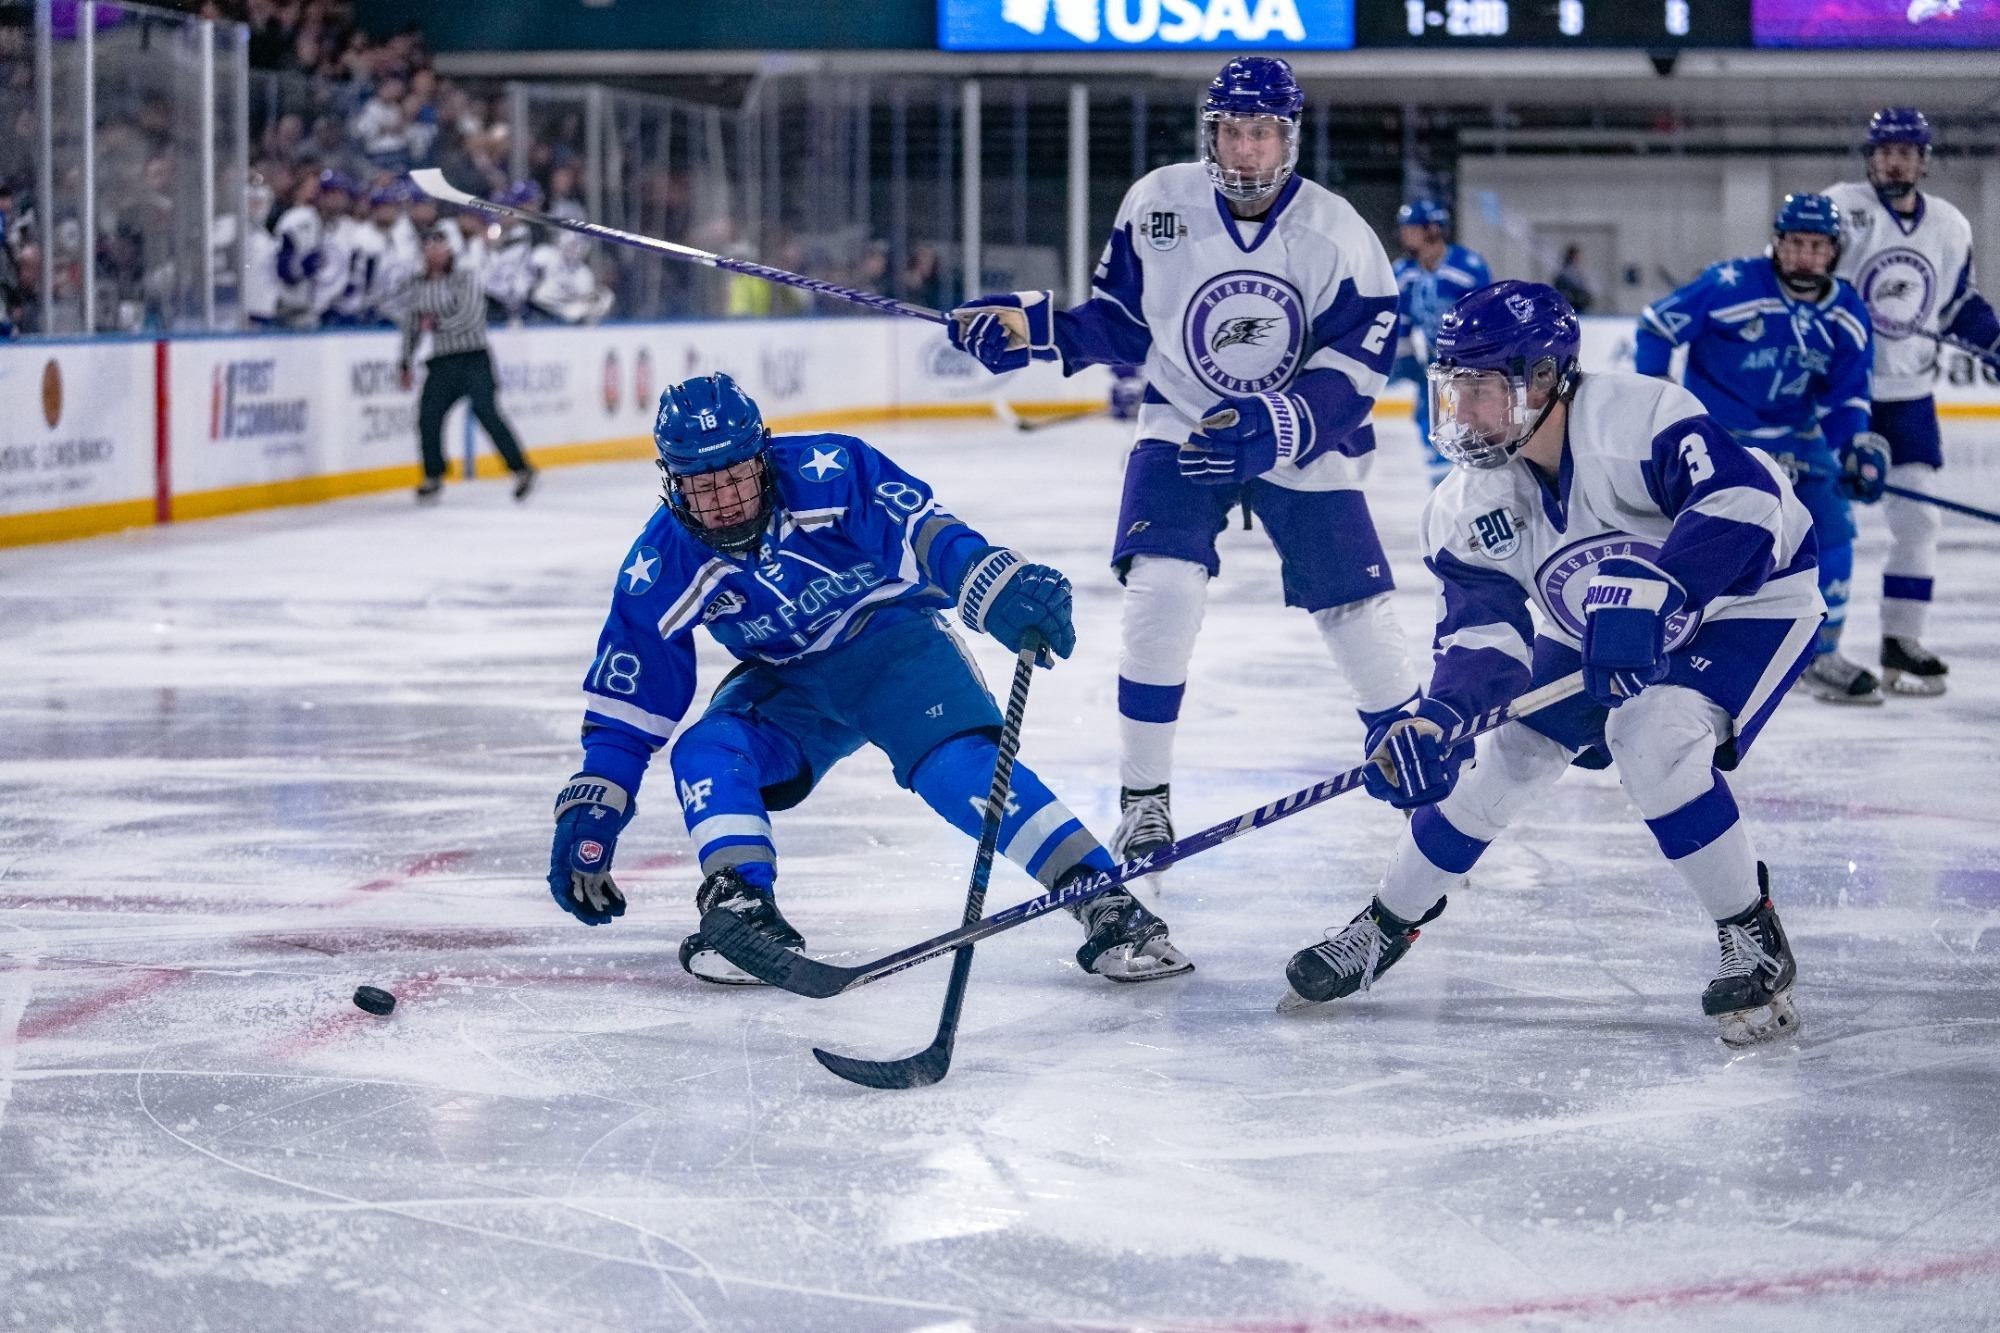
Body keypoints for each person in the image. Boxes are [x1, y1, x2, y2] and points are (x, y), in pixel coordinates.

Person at [1279, 282, 1821, 1047]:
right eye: (1452, 389)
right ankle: (1386, 923)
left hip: (1747, 599)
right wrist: (1438, 718)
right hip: (1597, 619)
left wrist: (1663, 596)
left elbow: (1744, 499)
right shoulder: (1466, 503)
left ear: (1541, 379)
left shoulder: (1639, 417)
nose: (1460, 412)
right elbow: (1484, 639)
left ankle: (1752, 933)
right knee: (1507, 756)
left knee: (1650, 734)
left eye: (1480, 390)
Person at [543, 373, 1193, 986]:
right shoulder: (663, 560)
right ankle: (742, 907)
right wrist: (600, 793)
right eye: (701, 486)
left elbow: (924, 532)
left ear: (762, 457)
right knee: (705, 748)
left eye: (736, 477)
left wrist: (994, 585)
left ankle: (1106, 903)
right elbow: (635, 694)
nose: (723, 501)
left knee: (961, 768)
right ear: (672, 484)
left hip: (895, 648)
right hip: (789, 683)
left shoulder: (832, 471)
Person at [945, 56, 1419, 874]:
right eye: (1233, 131)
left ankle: (1409, 742)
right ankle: (1144, 803)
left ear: (1288, 139)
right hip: (1182, 421)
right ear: (1212, 132)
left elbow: (1361, 364)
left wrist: (1278, 428)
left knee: (1354, 601)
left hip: (1295, 433)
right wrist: (1033, 330)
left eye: (1262, 133)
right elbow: (1127, 325)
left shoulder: (1337, 231)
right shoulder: (1157, 203)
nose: (1245, 152)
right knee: (1161, 591)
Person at [1636, 193, 1888, 703]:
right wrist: (1658, 400)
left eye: (1818, 246)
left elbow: (1846, 396)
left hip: (1796, 437)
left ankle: (1822, 654)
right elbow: (1657, 324)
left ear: (1834, 251)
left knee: (1833, 531)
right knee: (1697, 539)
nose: (1805, 256)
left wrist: (1853, 449)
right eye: (1796, 243)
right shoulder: (1730, 285)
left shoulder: (1846, 312)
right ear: (1777, 242)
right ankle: (1668, 638)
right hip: (1715, 435)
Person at [1825, 107, 2000, 696]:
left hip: (1909, 396)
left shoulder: (1949, 225)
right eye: (1883, 150)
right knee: (1825, 522)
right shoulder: (1841, 209)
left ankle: (1901, 638)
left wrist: (1993, 339)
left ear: (1923, 161)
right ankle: (1814, 644)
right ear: (1869, 158)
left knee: (1919, 521)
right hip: (1837, 395)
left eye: (1905, 151)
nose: (1893, 160)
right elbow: (1801, 282)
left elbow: (1955, 304)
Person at [395, 226, 536, 504]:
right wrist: (405, 362)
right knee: (428, 417)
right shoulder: (418, 283)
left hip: (473, 357)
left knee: (486, 412)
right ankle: (433, 475)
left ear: (449, 249)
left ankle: (521, 469)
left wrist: (435, 322)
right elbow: (412, 325)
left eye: (440, 245)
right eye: (429, 247)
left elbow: (471, 316)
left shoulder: (465, 276)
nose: (434, 252)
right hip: (442, 361)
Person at [1391, 199, 1492, 485]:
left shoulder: (1467, 268)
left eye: (1410, 228)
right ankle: (1442, 485)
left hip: (1472, 363)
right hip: (1435, 361)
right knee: (1429, 416)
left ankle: (1480, 478)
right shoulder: (1404, 272)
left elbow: (1487, 317)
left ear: (1432, 229)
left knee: (1475, 421)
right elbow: (1400, 318)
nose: (1404, 235)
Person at [1551, 243, 1594, 315]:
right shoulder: (1564, 274)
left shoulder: (1577, 273)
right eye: (1577, 257)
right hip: (1569, 308)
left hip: (1579, 308)